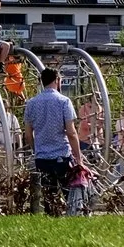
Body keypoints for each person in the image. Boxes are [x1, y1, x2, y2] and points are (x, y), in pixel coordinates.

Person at [23, 67, 83, 216]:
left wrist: (35, 149)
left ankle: (52, 223)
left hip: (42, 157)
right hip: (62, 155)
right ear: (57, 80)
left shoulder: (31, 103)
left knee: (50, 197)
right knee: (70, 196)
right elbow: (71, 132)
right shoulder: (64, 101)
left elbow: (28, 134)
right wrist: (79, 157)